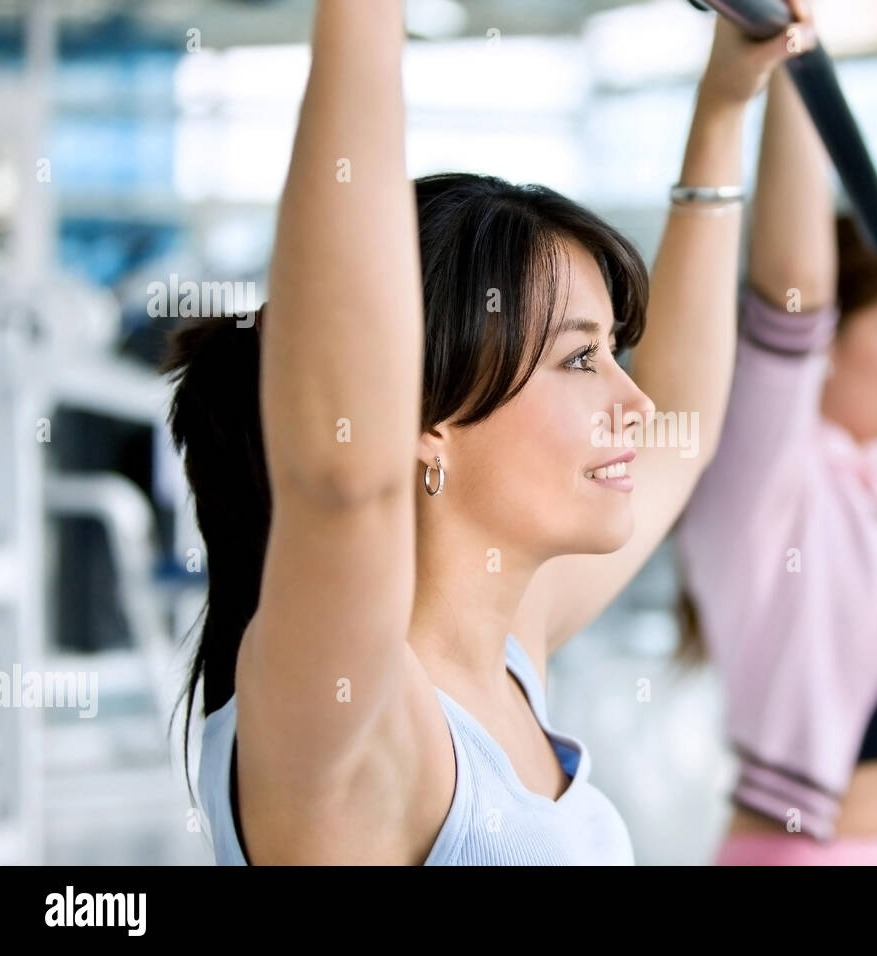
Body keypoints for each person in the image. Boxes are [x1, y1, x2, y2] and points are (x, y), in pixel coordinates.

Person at [164, 0, 814, 865]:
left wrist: (726, 100)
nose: (637, 404)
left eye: (615, 354)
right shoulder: (355, 717)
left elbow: (684, 431)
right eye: (581, 361)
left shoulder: (503, 660)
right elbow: (341, 478)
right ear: (422, 419)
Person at [673, 7, 877, 865]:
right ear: (824, 347)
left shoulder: (871, 474)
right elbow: (793, 290)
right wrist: (793, 56)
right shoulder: (767, 479)